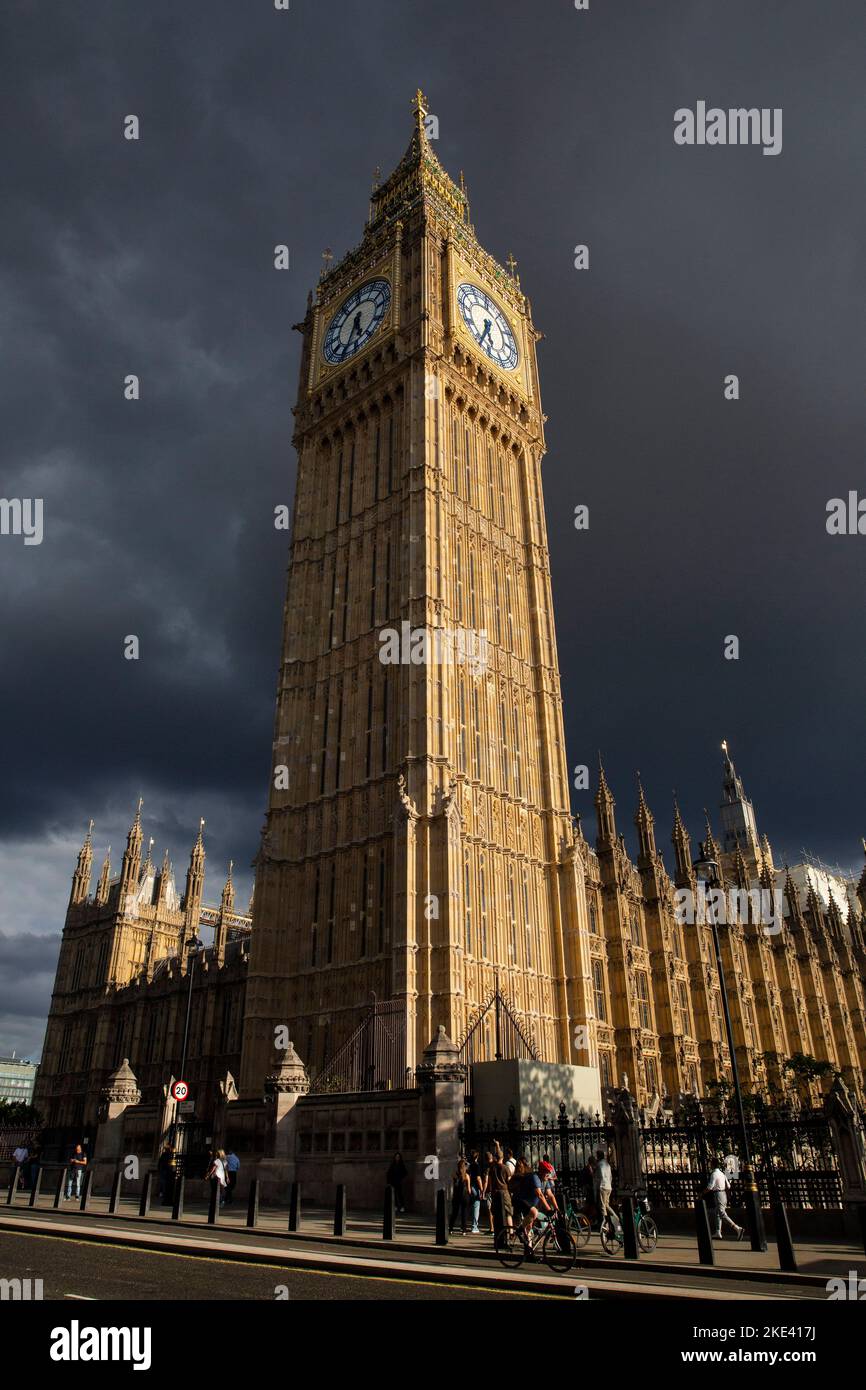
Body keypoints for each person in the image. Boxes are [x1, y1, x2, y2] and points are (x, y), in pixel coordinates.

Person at [513, 1156, 552, 1252]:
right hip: (520, 1200)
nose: (549, 1175)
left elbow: (550, 1194)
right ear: (541, 1171)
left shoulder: (544, 1180)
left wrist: (556, 1208)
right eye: (547, 1172)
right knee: (534, 1213)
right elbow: (540, 1194)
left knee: (529, 1226)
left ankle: (528, 1250)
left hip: (528, 1202)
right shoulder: (535, 1177)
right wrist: (549, 1210)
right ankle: (520, 1230)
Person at [702, 1157, 745, 1241]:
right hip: (723, 1194)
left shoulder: (714, 1174)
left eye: (710, 1163)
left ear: (713, 1164)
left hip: (718, 1194)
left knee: (721, 1213)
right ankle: (718, 1232)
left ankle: (737, 1228)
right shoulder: (722, 1174)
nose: (709, 1165)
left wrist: (702, 1193)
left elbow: (710, 1187)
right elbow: (728, 1186)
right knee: (717, 1213)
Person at [593, 1148, 617, 1234]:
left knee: (602, 1206)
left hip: (602, 1187)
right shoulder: (607, 1164)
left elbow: (599, 1177)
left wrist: (598, 1187)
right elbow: (610, 1177)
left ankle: (605, 1225)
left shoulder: (599, 1164)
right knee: (607, 1205)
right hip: (608, 1187)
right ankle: (616, 1218)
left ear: (598, 1156)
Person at [448, 1158, 470, 1235]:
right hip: (464, 1196)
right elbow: (469, 1189)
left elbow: (452, 1185)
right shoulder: (466, 1176)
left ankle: (450, 1228)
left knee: (454, 1213)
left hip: (456, 1195)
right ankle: (464, 1230)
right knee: (464, 1213)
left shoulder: (454, 1174)